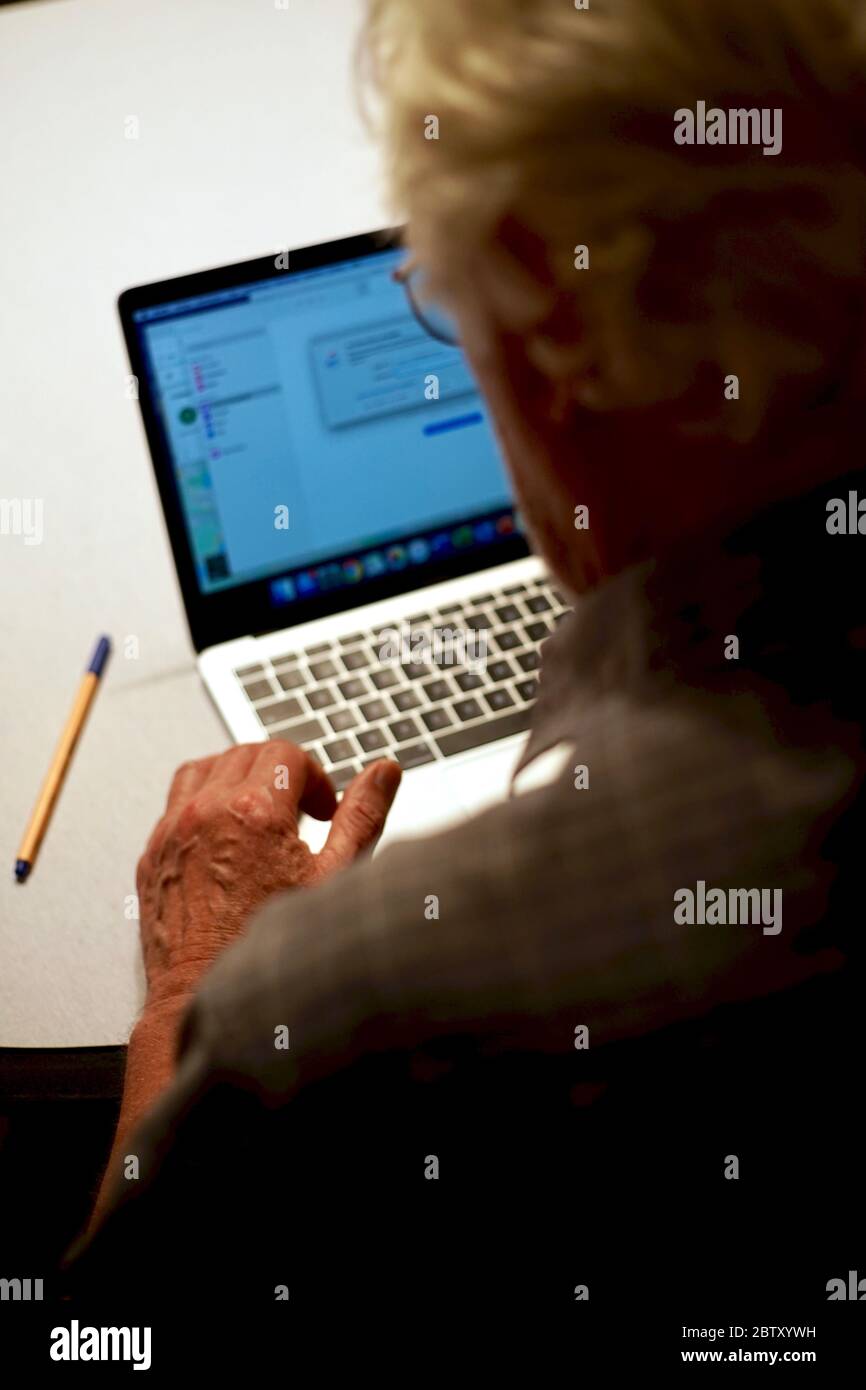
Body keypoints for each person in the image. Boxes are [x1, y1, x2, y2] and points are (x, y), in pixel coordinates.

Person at [66, 0, 865, 1316]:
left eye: (444, 301)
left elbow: (110, 1344)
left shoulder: (355, 1015)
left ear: (558, 325)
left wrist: (197, 996)